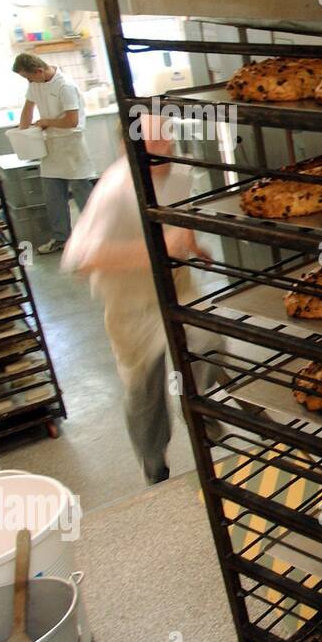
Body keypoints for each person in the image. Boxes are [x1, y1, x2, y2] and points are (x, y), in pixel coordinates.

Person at [62, 130, 218, 485]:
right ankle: (153, 467)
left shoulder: (179, 172)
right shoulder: (115, 189)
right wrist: (158, 249)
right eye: (149, 140)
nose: (161, 146)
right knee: (145, 394)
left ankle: (203, 420)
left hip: (178, 291)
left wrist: (193, 245)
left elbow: (177, 216)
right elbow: (81, 258)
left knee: (209, 348)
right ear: (125, 145)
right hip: (132, 306)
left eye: (165, 135)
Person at [12, 53, 99, 254]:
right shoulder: (35, 84)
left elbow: (72, 121)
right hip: (50, 148)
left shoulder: (64, 86)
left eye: (28, 77)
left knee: (83, 195)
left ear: (39, 71)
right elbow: (28, 108)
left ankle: (97, 238)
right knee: (53, 198)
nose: (28, 81)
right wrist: (22, 133)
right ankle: (61, 238)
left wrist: (46, 122)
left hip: (71, 146)